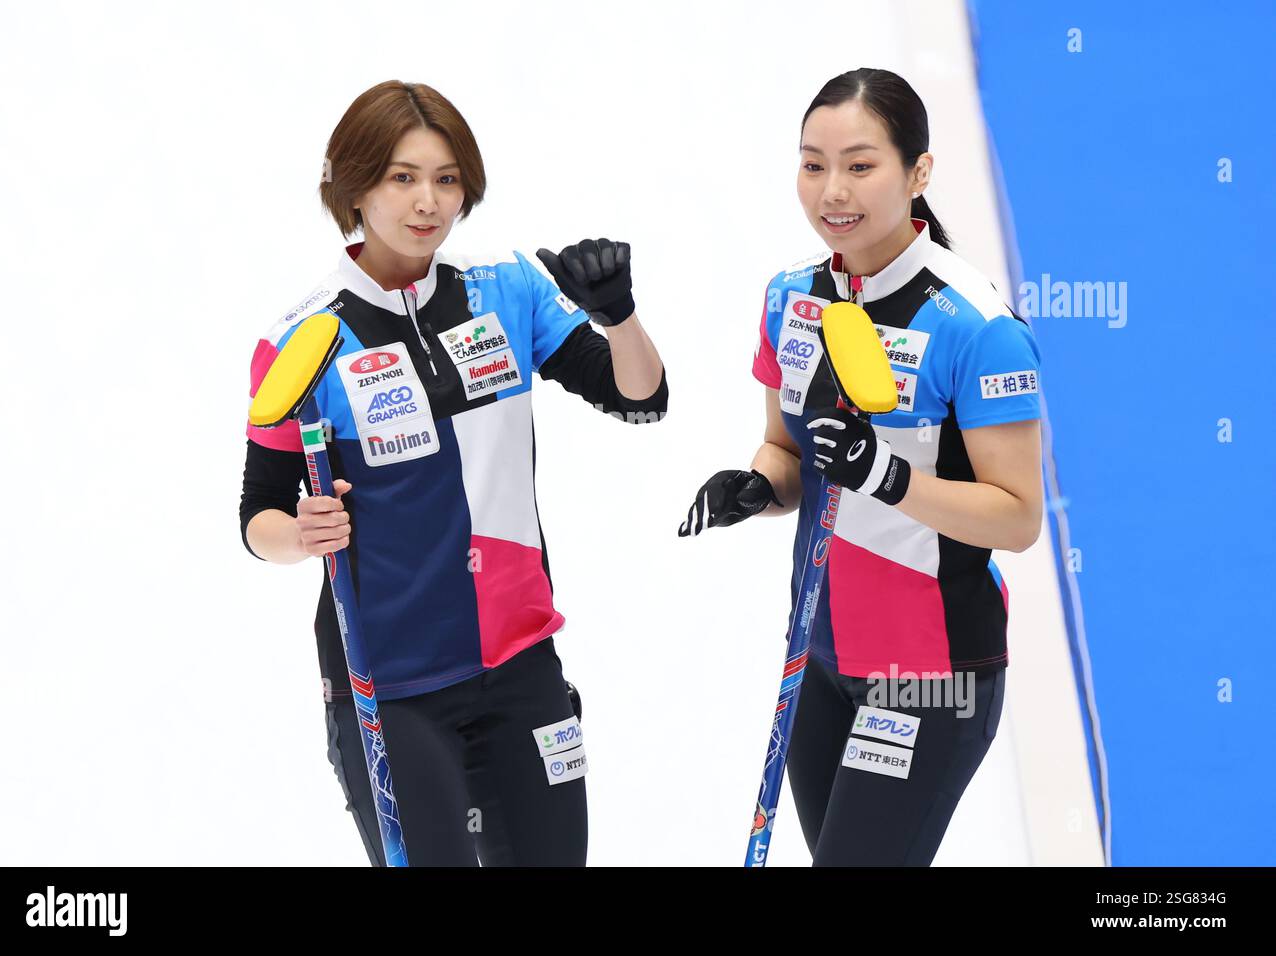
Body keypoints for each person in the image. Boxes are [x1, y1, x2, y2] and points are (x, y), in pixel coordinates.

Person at [238, 80, 667, 866]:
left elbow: (640, 402)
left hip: (522, 665)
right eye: (402, 177)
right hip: (389, 687)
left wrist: (619, 315)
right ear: (353, 184)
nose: (427, 201)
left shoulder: (506, 290)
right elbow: (257, 518)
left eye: (446, 178)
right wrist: (301, 534)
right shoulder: (305, 339)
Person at [678, 68, 1042, 866]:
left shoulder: (978, 327)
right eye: (813, 164)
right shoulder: (791, 297)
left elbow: (1018, 518)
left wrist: (891, 477)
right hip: (821, 654)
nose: (832, 190)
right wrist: (756, 487)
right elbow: (786, 452)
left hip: (930, 673)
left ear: (918, 172)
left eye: (860, 164)